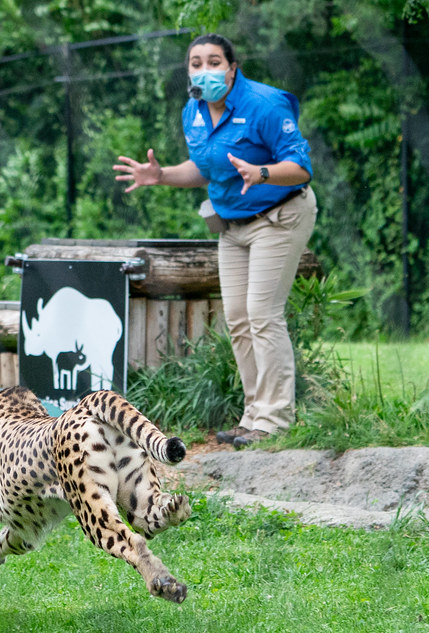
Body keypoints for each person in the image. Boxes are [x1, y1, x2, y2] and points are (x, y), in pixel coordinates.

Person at [113, 32, 317, 448]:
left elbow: (301, 167)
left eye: (214, 62)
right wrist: (162, 175)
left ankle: (276, 420)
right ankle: (254, 414)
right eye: (196, 63)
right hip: (232, 226)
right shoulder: (193, 111)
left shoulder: (264, 105)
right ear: (187, 71)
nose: (205, 71)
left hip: (279, 216)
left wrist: (261, 173)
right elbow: (204, 168)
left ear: (232, 67)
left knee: (262, 315)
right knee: (239, 321)